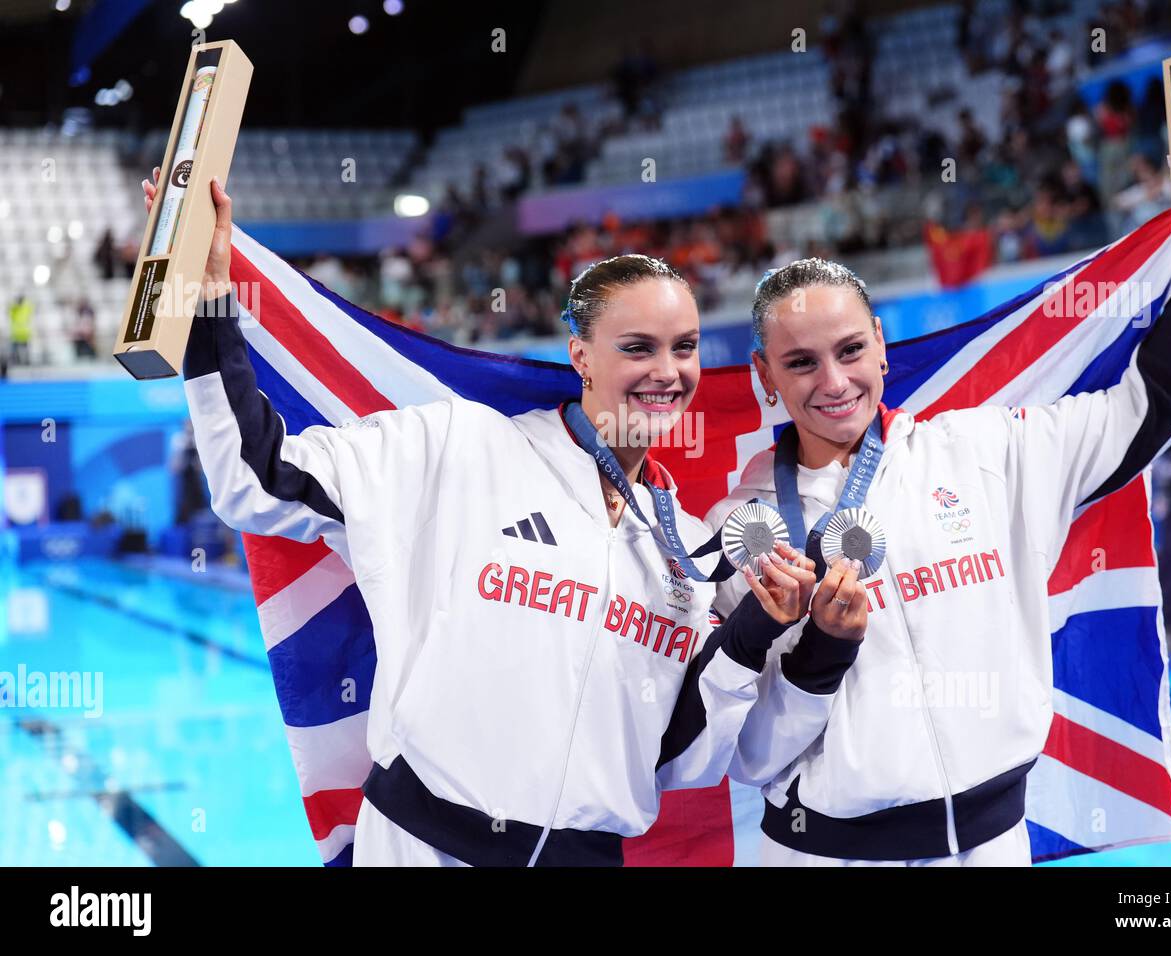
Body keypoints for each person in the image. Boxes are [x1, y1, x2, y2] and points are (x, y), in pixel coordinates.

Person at [142, 171, 866, 867]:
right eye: (636, 347)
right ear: (579, 354)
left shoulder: (691, 548)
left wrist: (755, 630)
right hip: (422, 846)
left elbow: (684, 757)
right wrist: (211, 304)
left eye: (683, 348)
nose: (666, 371)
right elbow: (254, 481)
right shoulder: (458, 449)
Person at [706, 158, 1171, 866]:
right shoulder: (743, 529)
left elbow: (1139, 410)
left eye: (849, 350)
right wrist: (823, 653)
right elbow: (749, 754)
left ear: (879, 340)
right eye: (801, 363)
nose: (834, 382)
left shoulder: (985, 450)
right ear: (763, 374)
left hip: (994, 844)